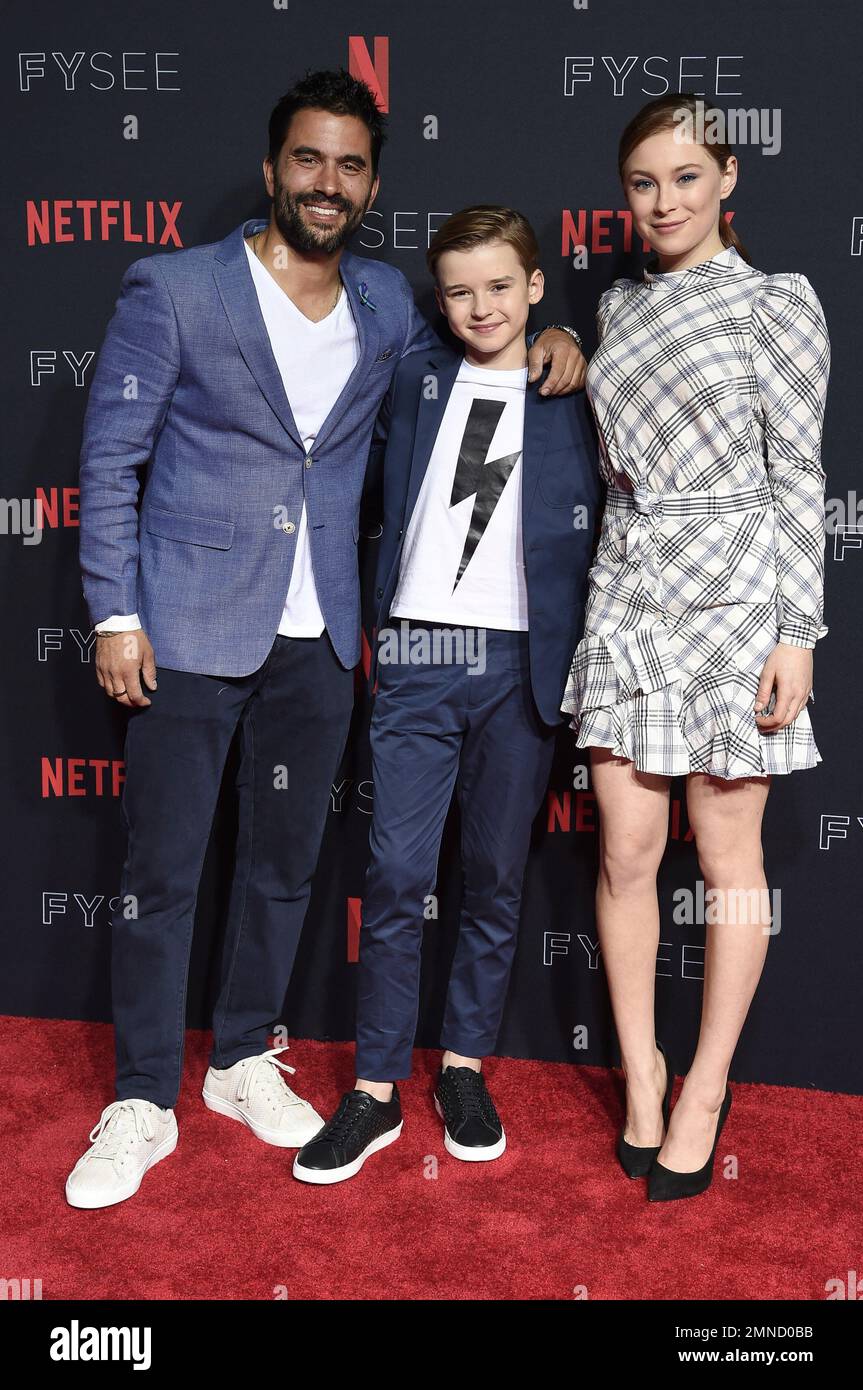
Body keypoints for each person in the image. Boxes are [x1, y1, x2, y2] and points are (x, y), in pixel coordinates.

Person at [68, 71, 585, 1210]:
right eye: (308, 159)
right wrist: (115, 611)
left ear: (371, 185)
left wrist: (556, 336)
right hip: (190, 626)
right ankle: (145, 1093)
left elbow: (482, 344)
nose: (326, 182)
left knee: (286, 864)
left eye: (350, 166)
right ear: (271, 168)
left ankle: (245, 1055)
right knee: (160, 875)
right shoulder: (174, 287)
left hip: (325, 637)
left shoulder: (392, 307)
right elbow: (110, 459)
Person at [293, 206, 599, 1184]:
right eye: (460, 290)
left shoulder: (568, 381)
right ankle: (376, 1087)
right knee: (392, 874)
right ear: (439, 299)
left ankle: (462, 1066)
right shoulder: (414, 373)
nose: (482, 307)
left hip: (518, 662)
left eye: (501, 287)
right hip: (419, 654)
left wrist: (569, 344)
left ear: (536, 286)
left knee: (494, 879)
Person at [560, 93, 831, 1201]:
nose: (661, 200)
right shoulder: (614, 311)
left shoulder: (775, 303)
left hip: (734, 596)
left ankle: (704, 1085)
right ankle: (640, 1071)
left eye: (683, 177)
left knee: (724, 862)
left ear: (727, 180)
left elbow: (799, 478)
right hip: (627, 592)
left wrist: (795, 633)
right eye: (640, 182)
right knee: (625, 852)